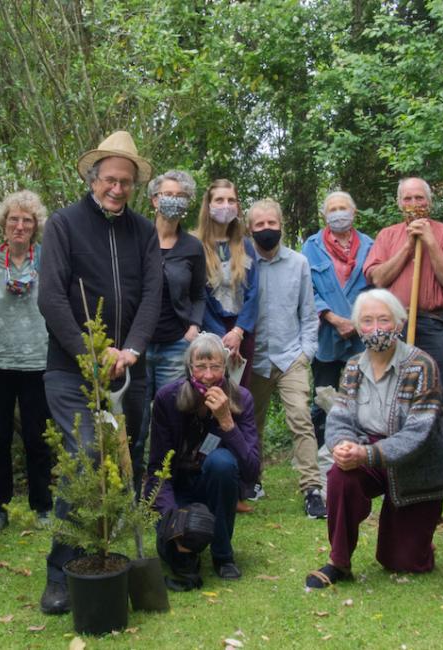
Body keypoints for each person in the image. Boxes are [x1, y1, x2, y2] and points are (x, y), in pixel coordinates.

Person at [36, 131, 162, 615]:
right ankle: (61, 573)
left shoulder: (144, 232)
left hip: (129, 370)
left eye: (126, 182)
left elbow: (152, 296)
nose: (117, 188)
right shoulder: (65, 225)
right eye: (110, 179)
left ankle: (112, 560)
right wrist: (89, 353)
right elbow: (51, 297)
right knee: (86, 457)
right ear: (93, 178)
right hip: (71, 370)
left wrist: (130, 349)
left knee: (127, 461)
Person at [304, 289, 443, 590]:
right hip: (368, 450)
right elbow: (341, 416)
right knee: (340, 474)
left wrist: (366, 454)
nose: (376, 328)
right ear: (358, 327)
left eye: (384, 319)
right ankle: (338, 562)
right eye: (367, 321)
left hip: (416, 465)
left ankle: (417, 539)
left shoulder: (422, 366)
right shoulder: (355, 366)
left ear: (399, 322)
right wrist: (343, 445)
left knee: (402, 562)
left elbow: (417, 435)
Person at [363, 177, 443, 495]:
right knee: (394, 396)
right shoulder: (387, 236)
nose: (413, 205)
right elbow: (378, 277)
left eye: (419, 199)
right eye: (407, 200)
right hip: (395, 325)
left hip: (433, 325)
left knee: (439, 396)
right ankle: (394, 467)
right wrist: (408, 246)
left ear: (430, 202)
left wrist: (430, 242)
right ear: (399, 204)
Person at [146, 334, 261, 590]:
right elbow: (157, 468)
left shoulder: (242, 398)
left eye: (215, 367)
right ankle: (184, 546)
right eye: (200, 366)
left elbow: (251, 470)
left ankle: (223, 555)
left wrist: (226, 421)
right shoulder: (167, 397)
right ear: (189, 368)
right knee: (176, 556)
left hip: (214, 485)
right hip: (177, 487)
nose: (208, 376)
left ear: (226, 367)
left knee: (222, 462)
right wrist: (171, 521)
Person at [0, 190, 53, 533]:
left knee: (39, 438)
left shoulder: (48, 259)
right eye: (13, 219)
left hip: (39, 361)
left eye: (26, 220)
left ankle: (43, 506)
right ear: (3, 224)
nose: (19, 226)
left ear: (35, 226)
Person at [246, 199, 324, 519]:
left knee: (301, 419)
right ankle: (252, 480)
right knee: (252, 425)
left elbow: (309, 312)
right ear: (250, 229)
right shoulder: (243, 263)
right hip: (254, 357)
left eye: (272, 224)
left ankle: (312, 490)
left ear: (281, 224)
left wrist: (307, 352)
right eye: (259, 225)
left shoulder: (299, 263)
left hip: (290, 355)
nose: (267, 230)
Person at [194, 179, 261, 508]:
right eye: (219, 199)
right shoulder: (195, 245)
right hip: (210, 334)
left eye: (231, 199)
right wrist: (220, 334)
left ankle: (239, 486)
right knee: (207, 404)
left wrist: (239, 332)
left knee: (237, 403)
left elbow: (254, 294)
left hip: (241, 335)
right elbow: (198, 297)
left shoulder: (246, 246)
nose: (226, 205)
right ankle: (206, 478)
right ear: (208, 205)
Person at [303, 191, 373, 451]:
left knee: (363, 394)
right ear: (324, 215)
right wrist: (333, 318)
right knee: (323, 396)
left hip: (362, 335)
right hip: (326, 336)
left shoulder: (370, 246)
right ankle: (322, 452)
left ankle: (363, 446)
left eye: (343, 207)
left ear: (354, 212)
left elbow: (378, 288)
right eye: (332, 209)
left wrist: (356, 321)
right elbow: (307, 288)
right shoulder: (311, 246)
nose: (338, 213)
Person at [145, 170, 207, 402]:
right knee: (135, 420)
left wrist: (194, 327)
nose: (174, 199)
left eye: (180, 195)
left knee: (170, 414)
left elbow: (199, 294)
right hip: (138, 346)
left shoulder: (192, 247)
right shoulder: (139, 239)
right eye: (168, 194)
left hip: (175, 344)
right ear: (155, 199)